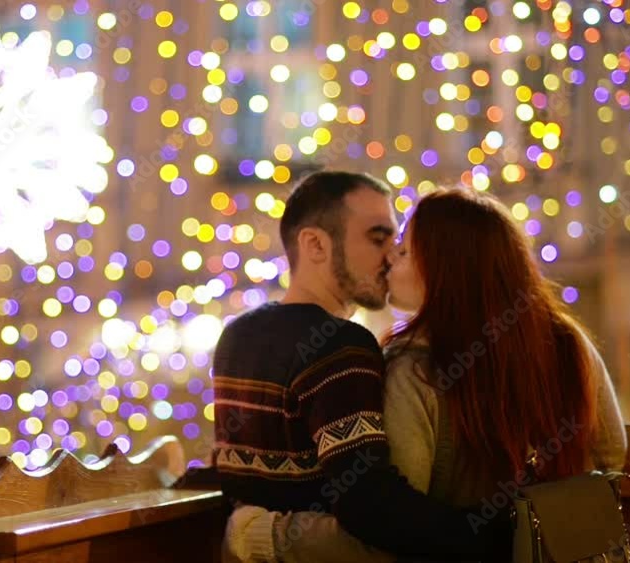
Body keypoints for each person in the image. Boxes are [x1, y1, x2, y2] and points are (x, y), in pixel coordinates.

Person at [227, 186, 628, 562]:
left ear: (441, 270)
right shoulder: (566, 340)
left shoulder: (415, 372)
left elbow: (385, 536)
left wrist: (267, 533)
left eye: (402, 251)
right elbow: (612, 454)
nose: (388, 260)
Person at [212, 172, 512, 563]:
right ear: (315, 244)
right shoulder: (341, 347)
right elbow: (370, 504)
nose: (391, 256)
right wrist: (498, 533)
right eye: (377, 238)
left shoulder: (235, 337)